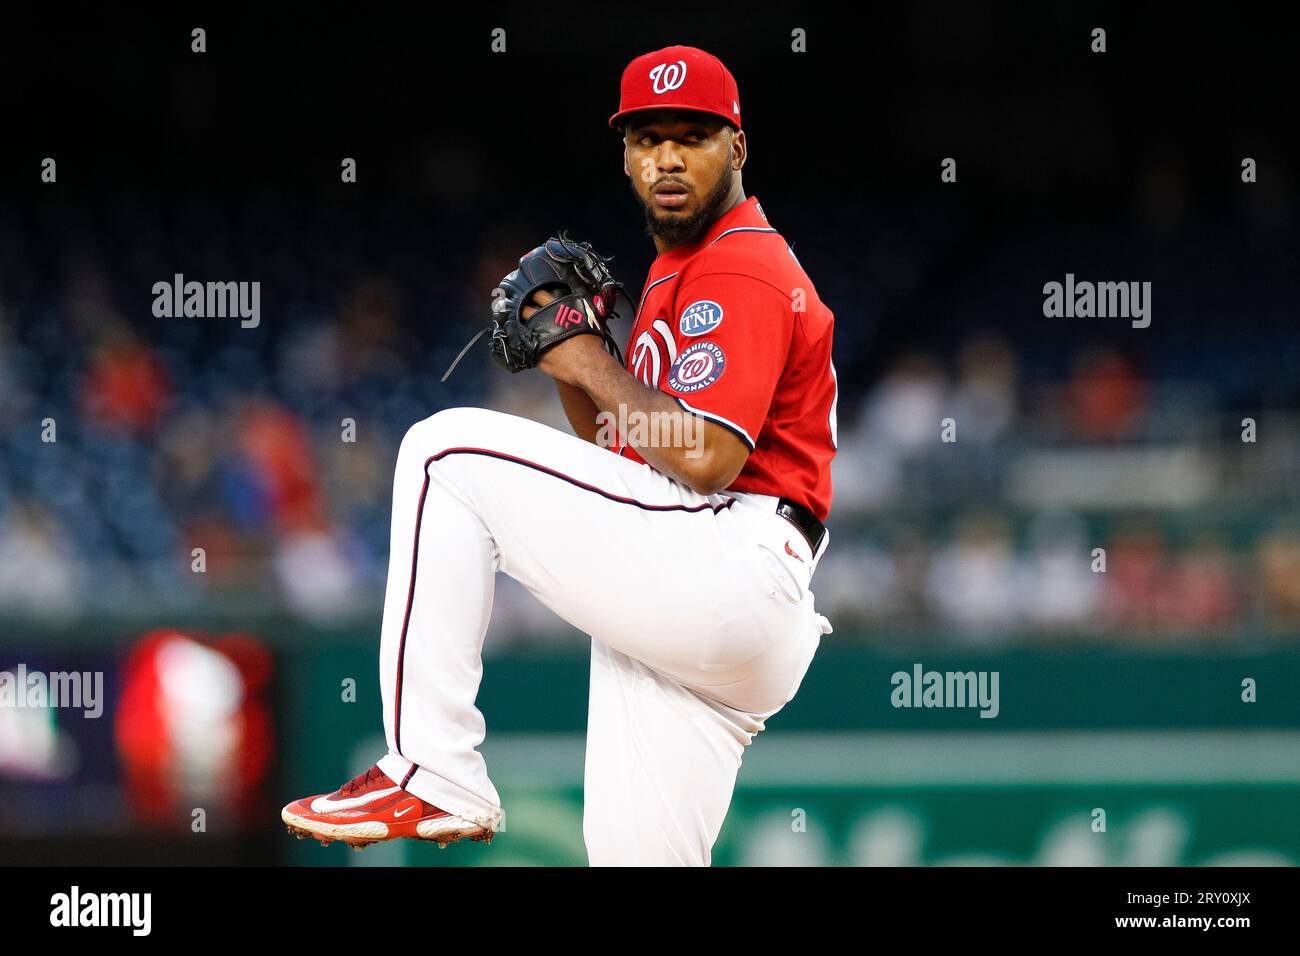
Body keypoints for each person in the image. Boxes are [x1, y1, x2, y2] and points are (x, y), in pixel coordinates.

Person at [282, 44, 838, 866]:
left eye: (693, 135)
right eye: (648, 138)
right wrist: (571, 359)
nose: (669, 157)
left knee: (445, 457)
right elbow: (625, 454)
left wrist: (582, 356)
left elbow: (711, 455)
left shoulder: (744, 264)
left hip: (732, 555)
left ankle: (433, 769)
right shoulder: (673, 273)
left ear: (738, 147)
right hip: (703, 600)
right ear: (624, 153)